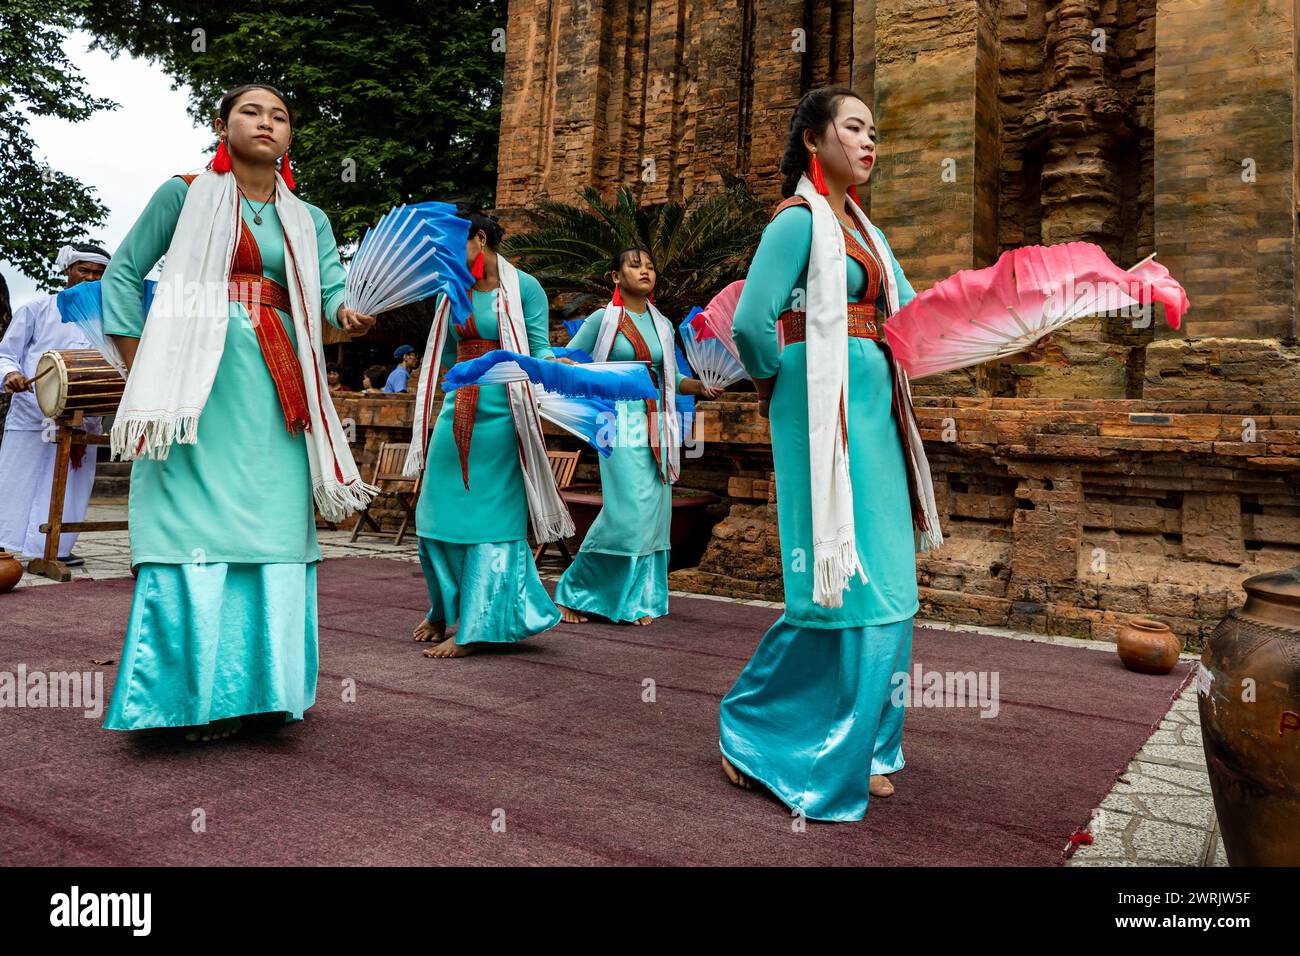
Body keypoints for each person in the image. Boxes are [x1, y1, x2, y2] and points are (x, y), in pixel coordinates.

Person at [100, 84, 377, 741]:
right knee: (189, 528)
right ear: (221, 123)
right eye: (252, 111)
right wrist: (145, 371)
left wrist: (348, 312)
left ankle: (261, 696)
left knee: (274, 533)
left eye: (280, 115)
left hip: (281, 390)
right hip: (195, 390)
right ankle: (182, 700)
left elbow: (333, 290)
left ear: (290, 138)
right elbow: (122, 274)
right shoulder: (183, 192)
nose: (267, 123)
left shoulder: (309, 218)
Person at [718, 87, 946, 821]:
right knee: (837, 582)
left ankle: (870, 746)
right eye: (854, 127)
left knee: (888, 585)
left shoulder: (868, 235)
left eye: (874, 130)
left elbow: (913, 316)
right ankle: (756, 731)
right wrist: (790, 384)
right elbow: (754, 323)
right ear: (815, 140)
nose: (869, 140)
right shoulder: (794, 221)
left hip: (877, 416)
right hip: (819, 413)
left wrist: (994, 319)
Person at [404, 205, 571, 659]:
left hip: (505, 411)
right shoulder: (450, 290)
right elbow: (441, 357)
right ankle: (443, 608)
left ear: (478, 239)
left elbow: (537, 350)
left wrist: (558, 366)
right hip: (456, 409)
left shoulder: (526, 288)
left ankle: (478, 625)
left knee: (491, 522)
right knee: (433, 514)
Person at [554, 248, 721, 626]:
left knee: (654, 512)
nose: (645, 270)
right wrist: (564, 365)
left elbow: (671, 378)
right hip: (617, 418)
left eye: (649, 265)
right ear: (616, 276)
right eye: (634, 265)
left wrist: (700, 386)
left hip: (657, 419)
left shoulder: (662, 323)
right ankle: (574, 591)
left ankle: (638, 598)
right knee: (627, 511)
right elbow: (569, 358)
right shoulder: (602, 319)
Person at [0, 243, 111, 565]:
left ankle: (55, 547)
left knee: (73, 482)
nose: (90, 278)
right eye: (84, 270)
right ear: (67, 271)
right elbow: (5, 353)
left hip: (82, 416)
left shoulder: (111, 318)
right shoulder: (37, 309)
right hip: (33, 411)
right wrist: (11, 374)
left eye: (99, 274)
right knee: (16, 476)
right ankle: (3, 541)